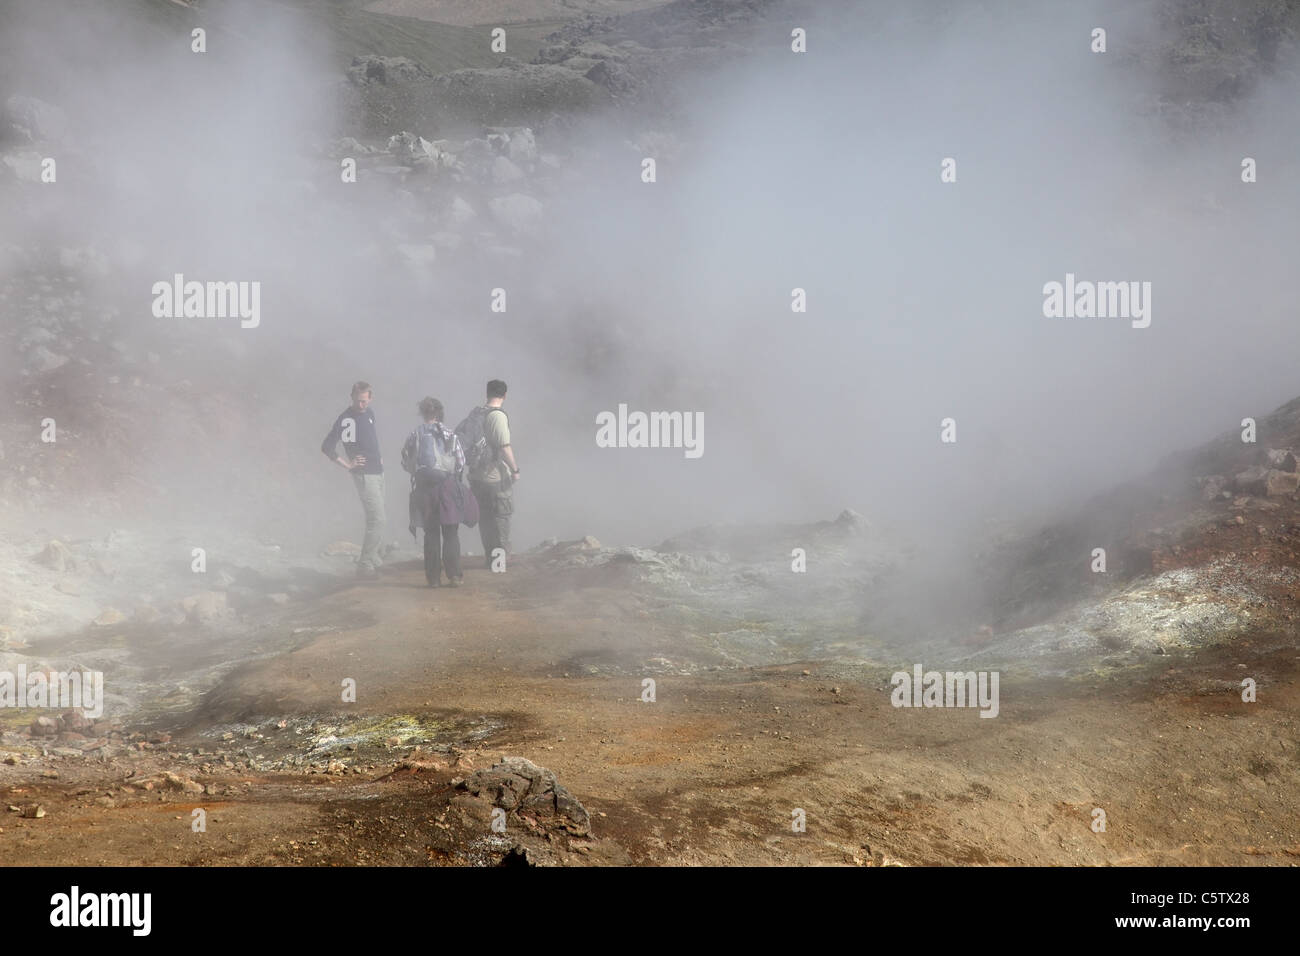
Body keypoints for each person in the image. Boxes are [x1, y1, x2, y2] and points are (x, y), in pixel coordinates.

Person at [401, 397, 477, 587]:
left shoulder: (414, 434)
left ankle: (433, 578)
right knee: (451, 532)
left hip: (425, 490)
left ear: (422, 413)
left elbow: (407, 463)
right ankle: (455, 576)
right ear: (439, 412)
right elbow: (459, 462)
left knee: (431, 534)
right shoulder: (449, 434)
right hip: (447, 488)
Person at [321, 381, 386, 579]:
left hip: (378, 472)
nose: (361, 405)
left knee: (378, 517)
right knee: (378, 519)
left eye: (365, 401)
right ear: (352, 397)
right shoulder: (345, 419)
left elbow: (371, 439)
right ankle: (365, 564)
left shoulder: (370, 414)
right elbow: (327, 447)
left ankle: (374, 558)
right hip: (364, 475)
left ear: (370, 398)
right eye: (358, 401)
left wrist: (379, 457)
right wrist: (348, 464)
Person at [456, 379, 519, 570]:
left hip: (476, 477)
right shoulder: (497, 416)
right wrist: (515, 470)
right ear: (505, 396)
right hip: (494, 477)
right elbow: (504, 446)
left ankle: (490, 560)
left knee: (485, 519)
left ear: (487, 394)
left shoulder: (477, 413)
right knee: (500, 519)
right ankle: (499, 564)